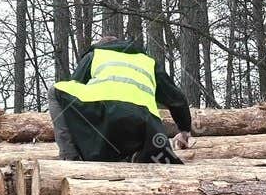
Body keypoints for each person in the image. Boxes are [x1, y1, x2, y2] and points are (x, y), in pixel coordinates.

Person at [49, 35, 194, 163]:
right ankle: (136, 155)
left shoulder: (96, 54)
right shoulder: (148, 61)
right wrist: (184, 131)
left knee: (55, 91)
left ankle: (71, 159)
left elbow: (74, 89)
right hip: (147, 129)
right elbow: (176, 99)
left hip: (103, 120)